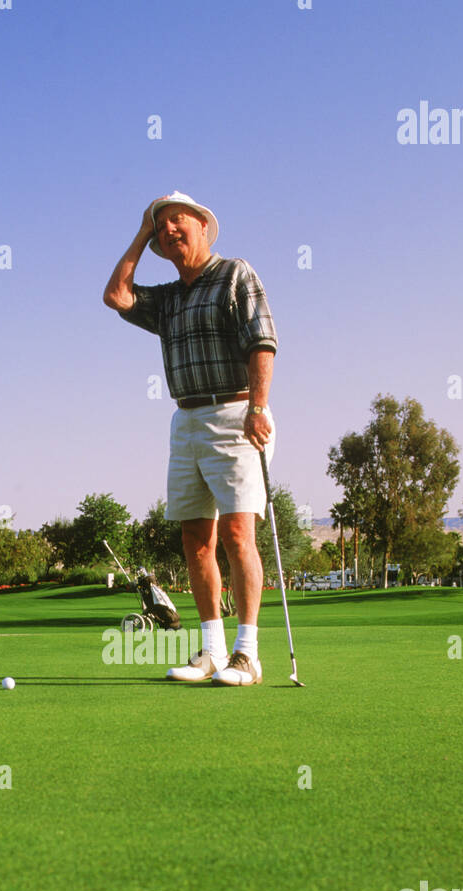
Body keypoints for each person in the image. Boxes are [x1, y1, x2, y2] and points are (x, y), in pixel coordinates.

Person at [103, 191, 277, 686]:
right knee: (195, 539)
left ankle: (248, 654)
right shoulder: (169, 298)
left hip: (237, 411)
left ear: (202, 224)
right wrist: (141, 233)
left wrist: (258, 407)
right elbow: (116, 295)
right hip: (186, 420)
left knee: (238, 532)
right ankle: (213, 652)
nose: (169, 232)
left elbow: (262, 342)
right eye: (161, 229)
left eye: (177, 221)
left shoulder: (235, 273)